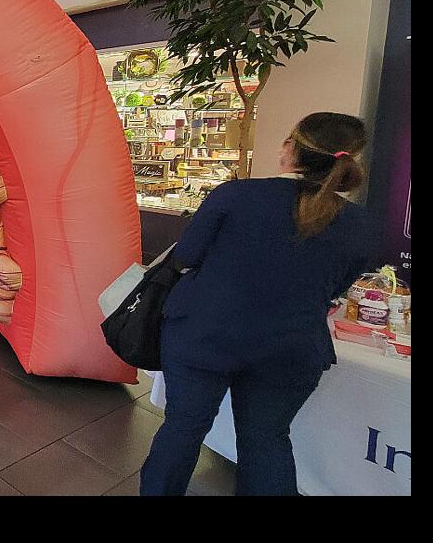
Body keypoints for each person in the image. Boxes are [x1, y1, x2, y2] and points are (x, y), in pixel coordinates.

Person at [139, 112, 374, 496]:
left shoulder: (236, 195)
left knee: (183, 428)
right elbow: (338, 286)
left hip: (205, 334)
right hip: (291, 348)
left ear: (292, 150)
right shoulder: (359, 223)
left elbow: (187, 256)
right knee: (267, 441)